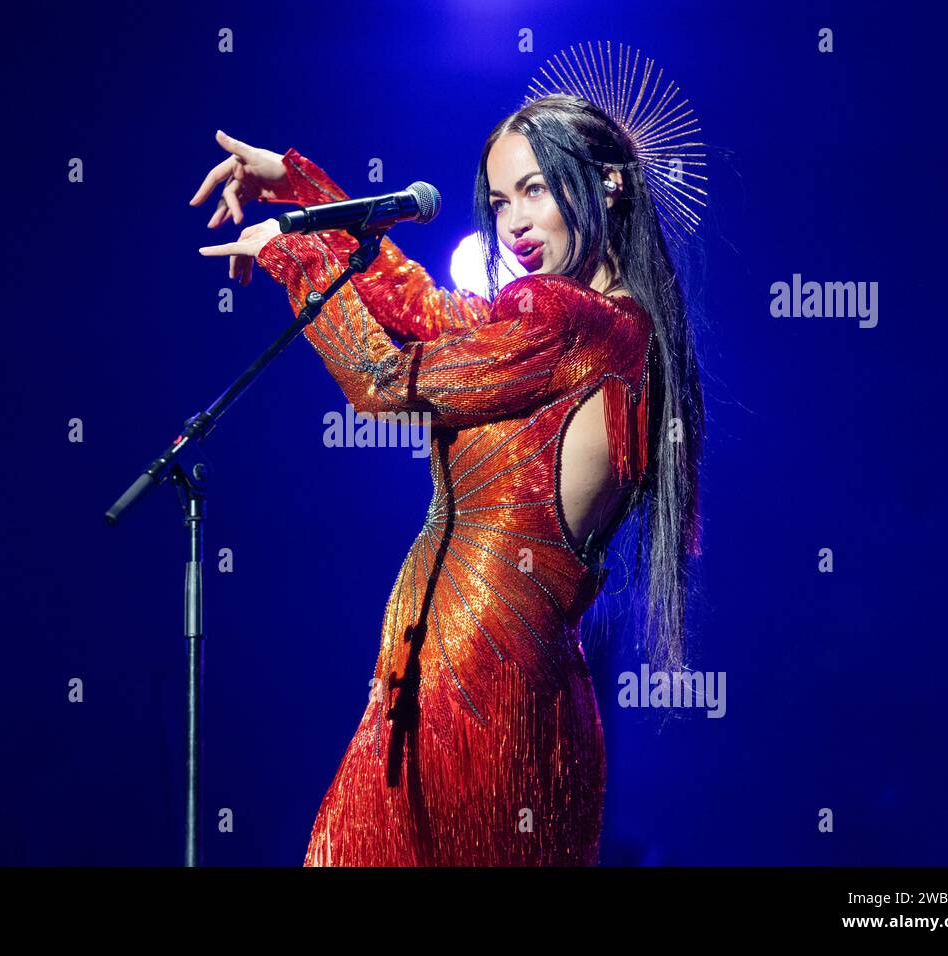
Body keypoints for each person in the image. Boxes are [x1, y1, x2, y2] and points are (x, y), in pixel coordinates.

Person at [193, 83, 704, 865]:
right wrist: (303, 191)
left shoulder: (569, 320)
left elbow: (382, 378)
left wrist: (287, 251)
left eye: (535, 189)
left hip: (467, 677)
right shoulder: (621, 330)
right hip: (534, 697)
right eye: (500, 202)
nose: (515, 223)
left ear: (609, 180)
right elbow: (427, 311)